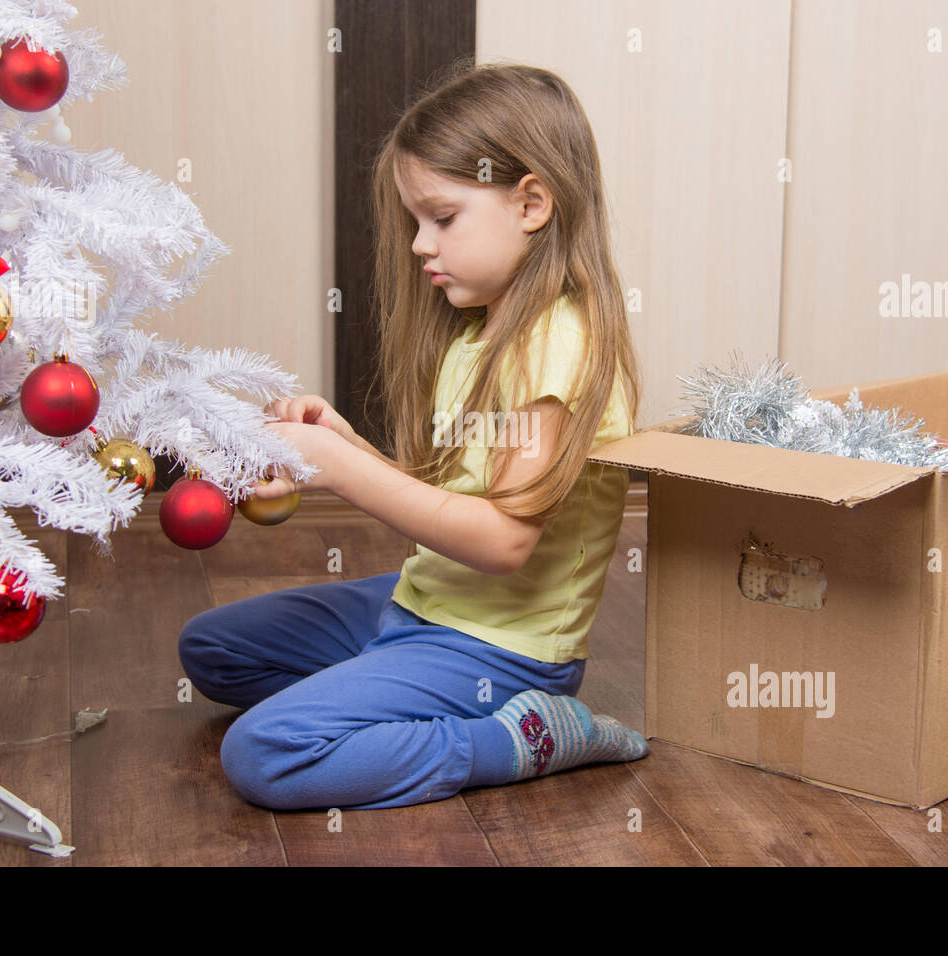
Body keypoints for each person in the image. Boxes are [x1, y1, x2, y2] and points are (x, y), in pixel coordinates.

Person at [178, 58, 649, 811]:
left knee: (265, 752)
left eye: (443, 218)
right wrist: (349, 443)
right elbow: (452, 494)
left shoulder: (558, 346)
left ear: (532, 204)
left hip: (502, 649)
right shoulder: (477, 334)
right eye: (414, 222)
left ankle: (519, 736)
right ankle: (392, 692)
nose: (418, 245)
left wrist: (336, 469)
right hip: (424, 606)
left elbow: (503, 541)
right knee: (212, 650)